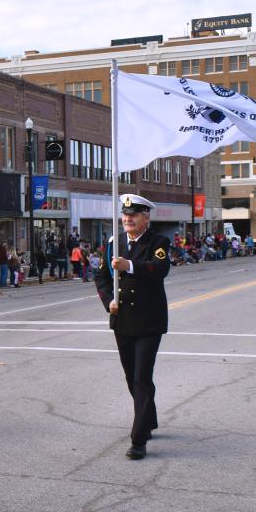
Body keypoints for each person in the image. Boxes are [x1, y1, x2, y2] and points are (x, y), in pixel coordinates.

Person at [93, 194, 171, 461]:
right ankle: (148, 420)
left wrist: (130, 266)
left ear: (145, 219)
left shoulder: (158, 242)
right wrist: (109, 301)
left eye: (134, 215)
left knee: (141, 377)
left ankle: (138, 440)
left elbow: (160, 269)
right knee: (132, 377)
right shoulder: (114, 243)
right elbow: (101, 277)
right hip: (123, 320)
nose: (128, 219)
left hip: (149, 320)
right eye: (125, 215)